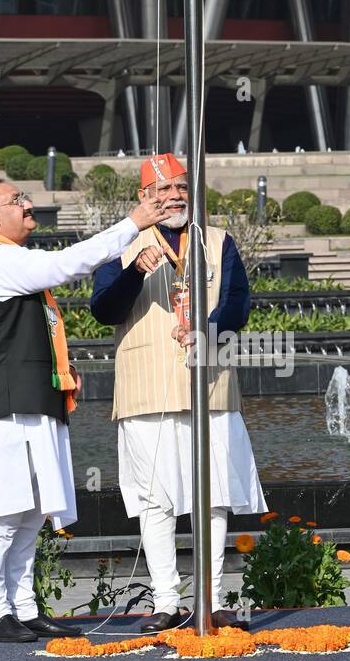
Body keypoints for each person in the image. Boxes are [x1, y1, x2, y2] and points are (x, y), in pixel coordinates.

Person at [0, 177, 166, 642]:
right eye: (16, 201)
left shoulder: (13, 261)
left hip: (32, 402)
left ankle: (25, 607)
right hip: (0, 409)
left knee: (31, 513)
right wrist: (132, 224)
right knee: (0, 514)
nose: (27, 205)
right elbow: (66, 265)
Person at [90, 153, 267, 632]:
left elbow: (237, 304)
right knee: (156, 501)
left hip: (209, 384)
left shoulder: (218, 241)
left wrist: (206, 331)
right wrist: (133, 273)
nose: (174, 197)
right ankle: (166, 600)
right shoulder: (120, 242)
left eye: (181, 188)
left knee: (214, 497)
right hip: (147, 389)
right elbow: (103, 310)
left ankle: (209, 597)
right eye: (163, 190)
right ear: (144, 196)